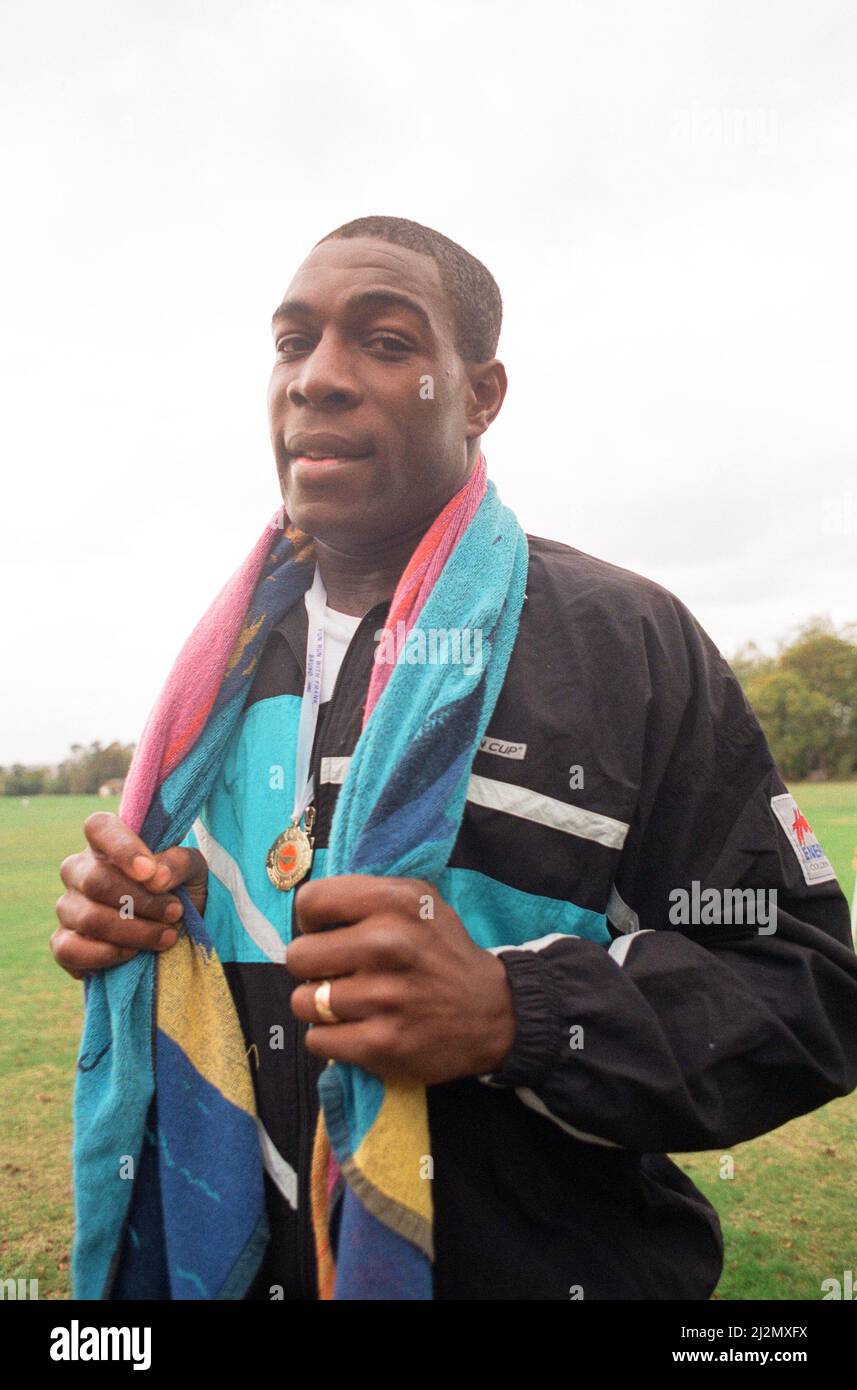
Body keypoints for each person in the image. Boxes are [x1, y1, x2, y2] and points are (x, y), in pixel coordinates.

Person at [52, 215, 857, 1300]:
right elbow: (225, 929)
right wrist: (143, 917)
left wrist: (515, 1013)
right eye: (292, 343)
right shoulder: (224, 670)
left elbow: (801, 986)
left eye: (383, 342)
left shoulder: (624, 641)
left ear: (477, 396)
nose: (317, 379)